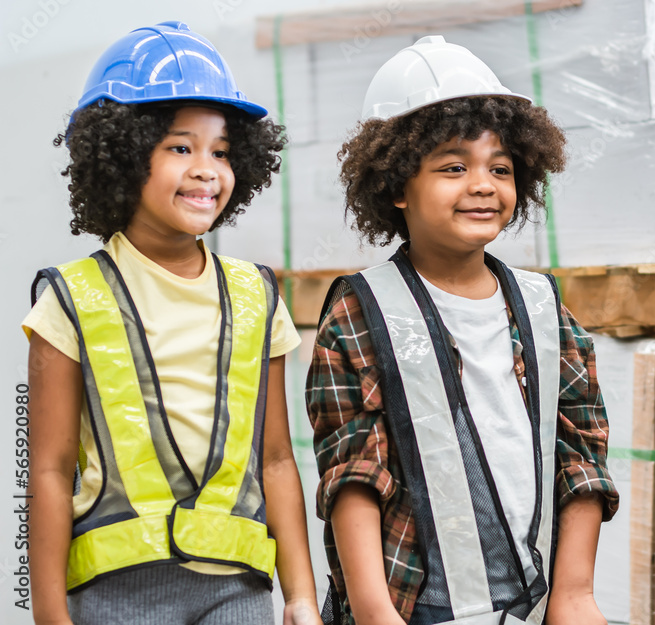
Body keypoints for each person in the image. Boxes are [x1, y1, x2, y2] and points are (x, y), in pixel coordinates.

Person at [307, 36, 619, 625]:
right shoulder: (362, 311)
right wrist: (375, 610)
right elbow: (352, 472)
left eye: (499, 168)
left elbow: (581, 455)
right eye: (454, 167)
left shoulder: (544, 310)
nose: (482, 184)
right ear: (397, 185)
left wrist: (574, 595)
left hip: (533, 600)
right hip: (411, 603)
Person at [23, 22, 322, 625]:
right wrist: (48, 615)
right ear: (124, 155)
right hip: (114, 593)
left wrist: (300, 596)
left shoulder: (256, 296)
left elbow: (276, 460)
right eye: (181, 148)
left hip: (237, 590)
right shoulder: (74, 296)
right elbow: (50, 471)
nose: (207, 170)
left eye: (221, 151)